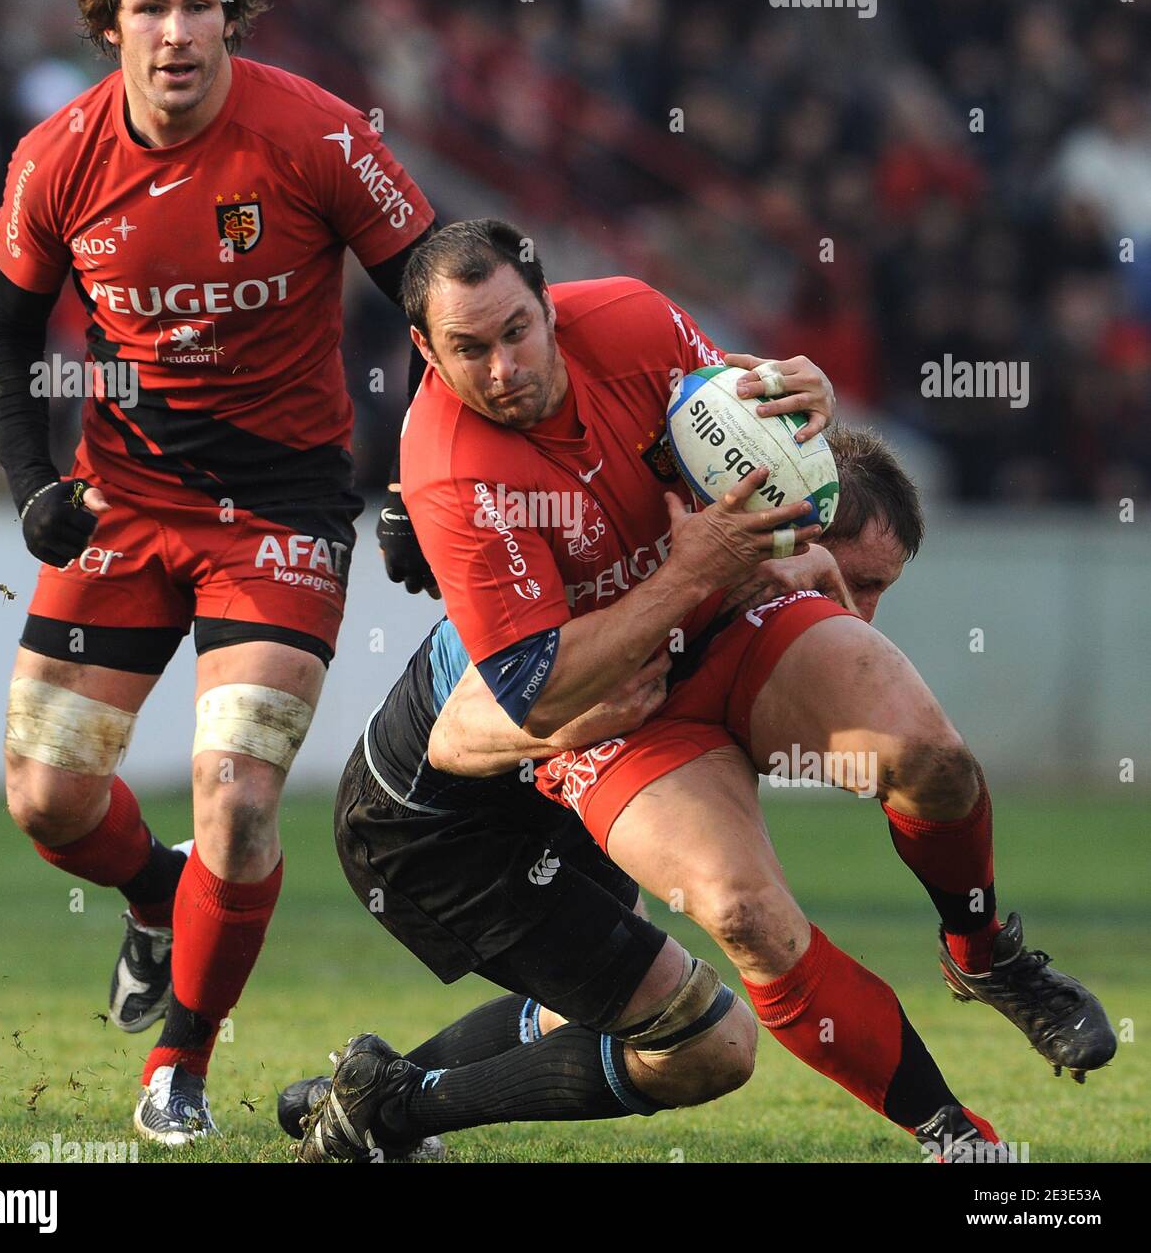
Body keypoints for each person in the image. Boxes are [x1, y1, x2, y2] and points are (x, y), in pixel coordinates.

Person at [290, 219, 1114, 1162]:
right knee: (741, 923)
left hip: (729, 625)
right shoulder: (449, 468)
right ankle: (956, 1139)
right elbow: (535, 694)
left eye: (517, 331)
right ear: (425, 351)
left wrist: (805, 407)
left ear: (548, 306)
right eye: (469, 349)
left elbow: (733, 432)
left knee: (929, 759)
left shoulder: (635, 319)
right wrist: (686, 575)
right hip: (616, 716)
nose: (504, 367)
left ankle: (983, 954)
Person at [0, 0, 436, 1144]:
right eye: (151, 8)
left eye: (200, 4)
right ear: (107, 25)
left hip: (281, 512)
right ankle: (154, 892)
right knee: (46, 802)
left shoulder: (319, 136)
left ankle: (177, 1059)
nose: (179, 31)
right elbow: (5, 332)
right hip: (123, 499)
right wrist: (32, 488)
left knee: (235, 795)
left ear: (230, 12)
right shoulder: (58, 156)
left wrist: (416, 481)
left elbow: (441, 292)